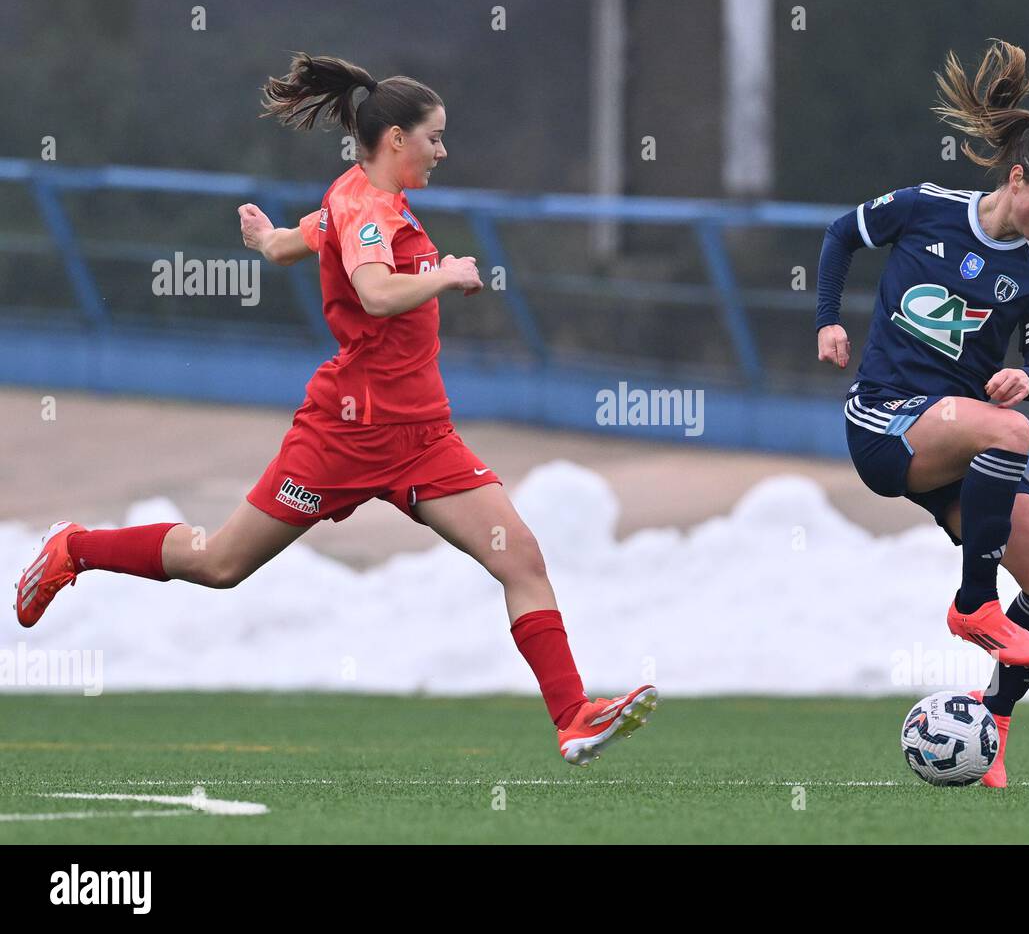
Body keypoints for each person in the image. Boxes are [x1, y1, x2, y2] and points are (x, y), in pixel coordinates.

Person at [15, 53, 656, 767]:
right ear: (396, 142)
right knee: (220, 562)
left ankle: (573, 716)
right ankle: (75, 548)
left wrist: (266, 241)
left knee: (522, 558)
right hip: (344, 435)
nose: (443, 152)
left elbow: (300, 241)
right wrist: (443, 274)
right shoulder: (371, 212)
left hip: (421, 438)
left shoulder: (355, 199)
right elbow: (377, 291)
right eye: (435, 138)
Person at [814, 40, 1029, 787]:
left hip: (961, 445)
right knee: (1010, 432)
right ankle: (973, 604)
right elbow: (841, 234)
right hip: (886, 424)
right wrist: (828, 320)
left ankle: (991, 725)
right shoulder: (927, 208)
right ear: (1017, 177)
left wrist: (1026, 379)